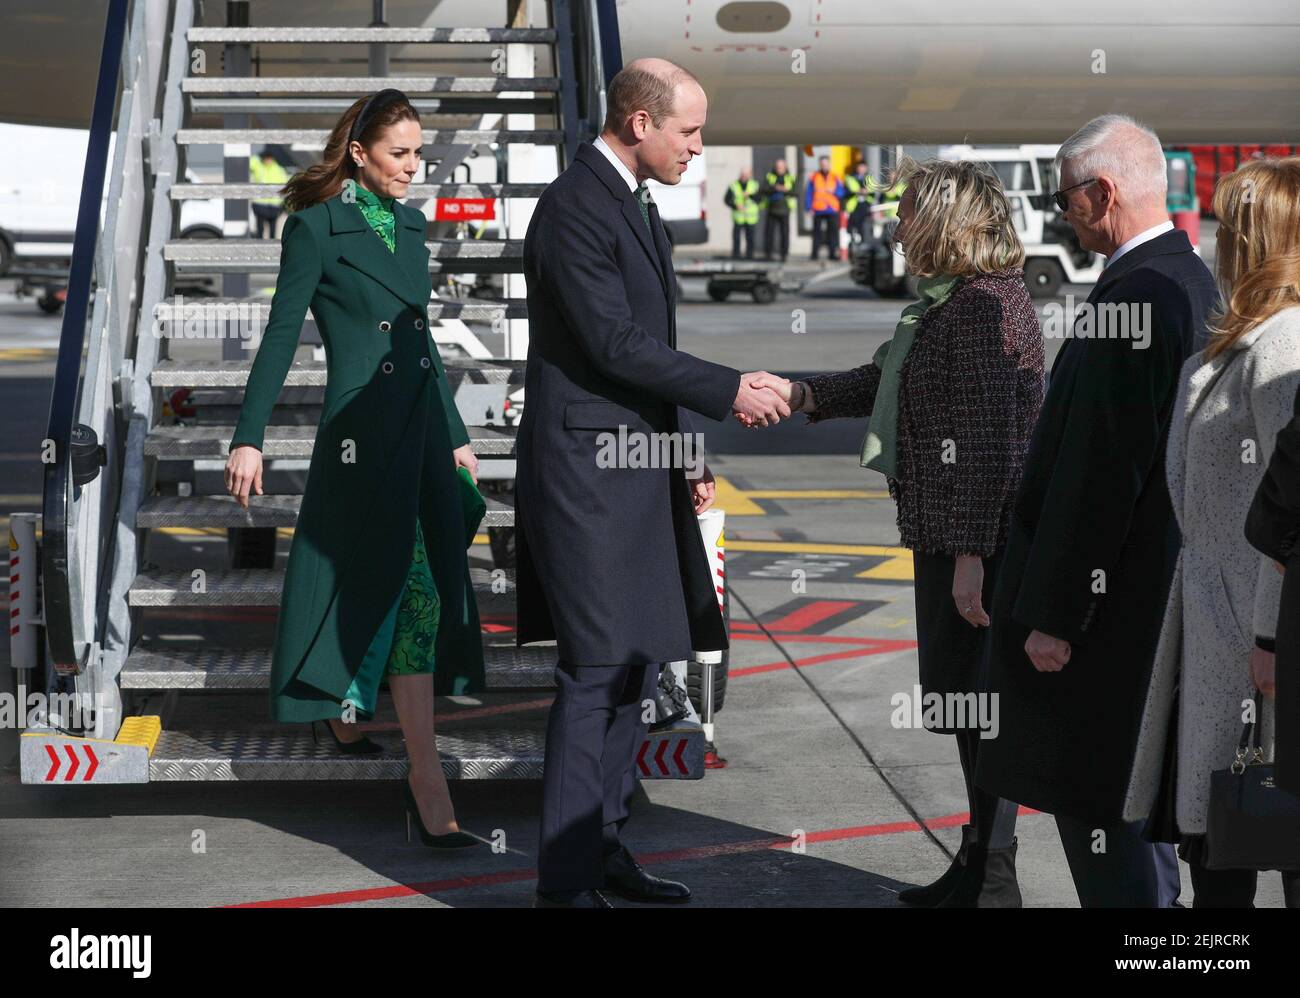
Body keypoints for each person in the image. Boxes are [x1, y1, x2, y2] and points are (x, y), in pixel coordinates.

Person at [516, 58, 790, 908]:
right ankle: (563, 886)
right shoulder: (573, 207)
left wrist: (684, 455)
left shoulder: (629, 204)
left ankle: (602, 854)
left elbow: (634, 355)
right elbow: (611, 345)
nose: (699, 148)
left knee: (632, 670)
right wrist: (727, 389)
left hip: (632, 470)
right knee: (596, 671)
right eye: (689, 130)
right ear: (639, 123)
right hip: (588, 482)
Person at [753, 158, 1044, 906]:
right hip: (945, 533)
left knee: (980, 708)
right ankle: (977, 863)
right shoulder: (946, 306)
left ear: (948, 220)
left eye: (909, 210)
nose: (896, 223)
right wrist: (804, 391)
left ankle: (995, 878)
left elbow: (989, 447)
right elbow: (889, 378)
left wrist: (972, 559)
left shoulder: (983, 310)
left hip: (972, 541)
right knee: (959, 705)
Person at [224, 89, 485, 849]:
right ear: (361, 152)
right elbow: (279, 337)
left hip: (421, 428)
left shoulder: (411, 224)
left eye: (419, 153)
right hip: (360, 440)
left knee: (415, 582)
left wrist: (458, 431)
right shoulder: (313, 228)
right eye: (400, 154)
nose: (414, 167)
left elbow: (422, 341)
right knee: (404, 583)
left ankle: (351, 719)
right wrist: (249, 436)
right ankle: (426, 775)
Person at [974, 114, 1219, 907]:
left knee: (1104, 819)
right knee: (1136, 819)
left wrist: (1057, 615)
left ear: (1104, 193)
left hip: (1108, 623)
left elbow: (1101, 474)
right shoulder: (1185, 278)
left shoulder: (1140, 297)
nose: (1060, 215)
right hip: (1150, 604)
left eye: (1064, 198)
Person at [1125, 157, 1300, 907]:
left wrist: (1268, 638)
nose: (1216, 240)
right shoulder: (1237, 344)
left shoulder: (1285, 346)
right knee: (1220, 841)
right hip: (1217, 626)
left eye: (1232, 226)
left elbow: (1290, 511)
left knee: (1265, 834)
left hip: (1255, 642)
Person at [805, 155, 844, 261]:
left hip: (832, 208)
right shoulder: (814, 176)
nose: (824, 166)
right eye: (822, 164)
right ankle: (814, 254)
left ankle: (832, 253)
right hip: (818, 208)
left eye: (826, 164)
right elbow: (809, 193)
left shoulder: (835, 176)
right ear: (820, 165)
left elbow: (841, 192)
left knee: (832, 233)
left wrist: (834, 192)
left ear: (829, 164)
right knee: (816, 233)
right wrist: (809, 208)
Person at [249, 146, 289, 238]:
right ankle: (259, 248)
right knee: (260, 230)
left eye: (269, 157)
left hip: (273, 205)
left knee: (272, 231)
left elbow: (284, 186)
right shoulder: (258, 166)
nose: (267, 159)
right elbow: (250, 161)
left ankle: (271, 249)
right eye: (265, 157)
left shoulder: (279, 169)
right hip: (260, 204)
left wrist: (281, 202)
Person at [761, 159, 795, 261]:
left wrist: (786, 190)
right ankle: (768, 254)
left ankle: (784, 254)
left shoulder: (790, 178)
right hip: (772, 209)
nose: (779, 169)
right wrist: (775, 187)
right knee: (769, 233)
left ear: (785, 167)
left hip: (785, 209)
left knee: (784, 234)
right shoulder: (770, 176)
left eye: (781, 167)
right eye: (778, 167)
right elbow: (763, 189)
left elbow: (796, 191)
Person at [725, 166, 760, 259]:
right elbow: (727, 200)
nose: (744, 176)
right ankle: (736, 254)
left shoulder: (755, 185)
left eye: (746, 174)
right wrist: (735, 205)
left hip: (750, 217)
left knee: (750, 237)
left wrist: (750, 195)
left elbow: (759, 199)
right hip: (738, 216)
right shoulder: (734, 185)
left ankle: (750, 255)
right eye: (742, 174)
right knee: (736, 237)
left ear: (750, 175)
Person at [844, 161, 877, 247]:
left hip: (866, 205)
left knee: (866, 226)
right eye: (860, 167)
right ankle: (854, 246)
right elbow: (848, 191)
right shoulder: (850, 177)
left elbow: (873, 192)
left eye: (863, 167)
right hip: (854, 206)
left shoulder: (869, 178)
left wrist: (866, 191)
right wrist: (860, 191)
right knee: (853, 227)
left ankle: (865, 244)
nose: (861, 169)